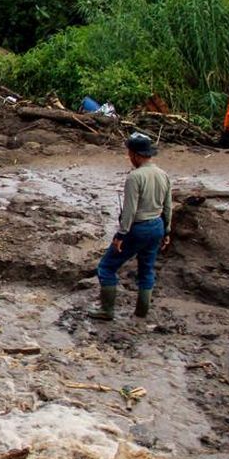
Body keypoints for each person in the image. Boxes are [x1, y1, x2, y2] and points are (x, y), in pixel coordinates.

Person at [89, 133, 172, 320]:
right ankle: (141, 312)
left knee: (107, 267)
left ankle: (107, 310)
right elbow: (168, 207)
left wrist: (121, 235)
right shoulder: (163, 175)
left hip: (138, 228)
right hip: (157, 226)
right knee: (147, 269)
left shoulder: (135, 177)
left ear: (135, 154)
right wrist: (166, 230)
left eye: (129, 154)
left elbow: (129, 211)